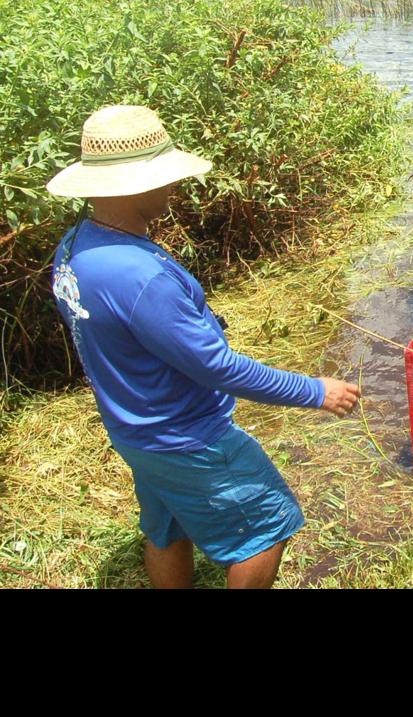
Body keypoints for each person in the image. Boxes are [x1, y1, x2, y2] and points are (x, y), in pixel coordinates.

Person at [45, 105, 361, 588]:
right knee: (267, 527)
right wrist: (315, 391)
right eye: (165, 178)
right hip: (188, 439)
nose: (175, 187)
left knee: (168, 526)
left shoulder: (74, 247)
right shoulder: (142, 277)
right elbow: (219, 368)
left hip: (133, 431)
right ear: (133, 185)